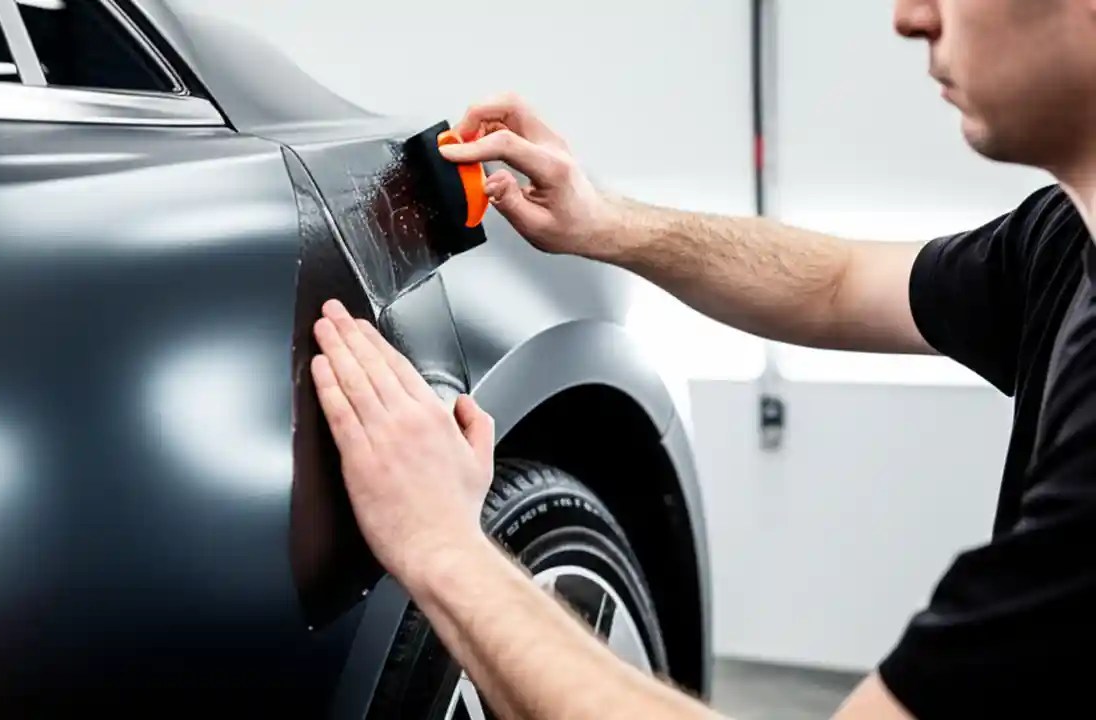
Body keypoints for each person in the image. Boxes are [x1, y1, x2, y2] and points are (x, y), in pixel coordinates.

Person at [308, 1, 1096, 717]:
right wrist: (602, 220)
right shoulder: (1065, 240)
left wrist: (442, 544)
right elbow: (838, 284)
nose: (910, 17)